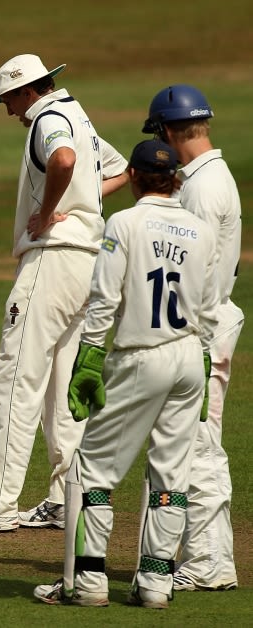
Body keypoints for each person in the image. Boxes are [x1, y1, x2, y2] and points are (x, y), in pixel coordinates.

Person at [0, 54, 126, 532]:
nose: (7, 110)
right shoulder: (77, 115)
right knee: (64, 388)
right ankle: (67, 498)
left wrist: (47, 213)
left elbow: (63, 160)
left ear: (27, 91)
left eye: (7, 99)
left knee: (16, 379)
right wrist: (82, 203)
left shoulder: (48, 119)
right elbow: (120, 169)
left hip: (53, 259)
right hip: (87, 262)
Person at [34, 139, 219, 608]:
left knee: (91, 468)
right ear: (175, 178)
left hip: (142, 354)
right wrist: (201, 360)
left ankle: (88, 582)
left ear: (133, 177)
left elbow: (104, 299)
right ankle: (157, 583)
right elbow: (210, 307)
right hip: (188, 358)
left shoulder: (125, 222)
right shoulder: (201, 230)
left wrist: (90, 356)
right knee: (171, 473)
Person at [143, 85, 243, 592]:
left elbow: (191, 270)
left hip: (198, 330)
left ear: (165, 131)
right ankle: (210, 559)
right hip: (207, 324)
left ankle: (207, 563)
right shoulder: (212, 177)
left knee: (197, 449)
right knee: (195, 446)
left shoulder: (202, 188)